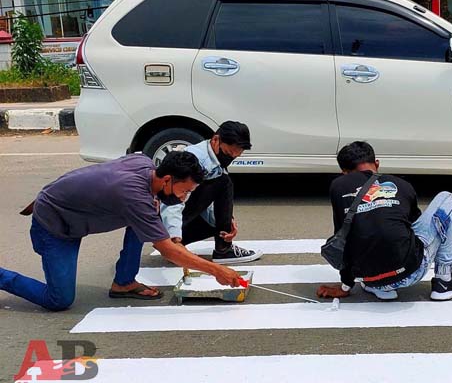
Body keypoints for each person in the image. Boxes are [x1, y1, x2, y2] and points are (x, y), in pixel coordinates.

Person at [0, 151, 241, 311]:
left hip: (70, 211)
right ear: (167, 179)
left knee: (149, 216)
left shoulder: (145, 165)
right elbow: (166, 249)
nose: (183, 197)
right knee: (59, 300)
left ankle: (124, 283)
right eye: (183, 190)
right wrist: (216, 270)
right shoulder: (134, 196)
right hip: (54, 226)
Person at [316, 141, 452, 301]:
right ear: (377, 164)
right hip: (408, 273)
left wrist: (345, 286)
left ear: (344, 172)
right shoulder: (402, 185)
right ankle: (444, 280)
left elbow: (342, 236)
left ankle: (382, 289)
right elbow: (414, 227)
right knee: (448, 198)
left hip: (368, 278)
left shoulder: (338, 186)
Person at [160, 121, 262, 264]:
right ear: (215, 140)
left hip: (176, 220)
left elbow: (203, 200)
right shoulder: (196, 160)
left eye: (234, 157)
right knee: (224, 182)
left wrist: (225, 224)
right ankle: (223, 250)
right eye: (227, 153)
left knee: (219, 214)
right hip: (163, 221)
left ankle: (223, 246)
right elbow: (171, 201)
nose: (229, 158)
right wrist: (174, 239)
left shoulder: (214, 158)